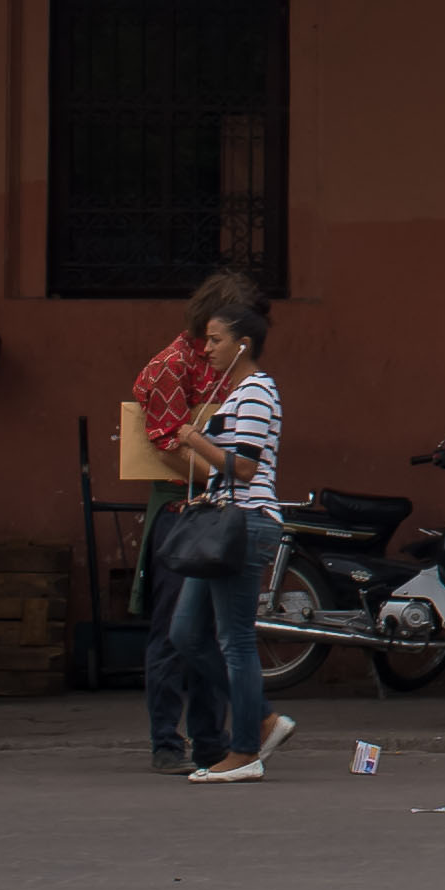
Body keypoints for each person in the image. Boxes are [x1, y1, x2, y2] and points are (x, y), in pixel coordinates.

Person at [132, 272, 260, 770]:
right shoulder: (171, 365)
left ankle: (210, 740)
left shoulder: (236, 371)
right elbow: (166, 443)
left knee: (211, 630)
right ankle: (167, 742)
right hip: (180, 507)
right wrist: (221, 477)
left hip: (218, 502)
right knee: (171, 630)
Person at [160, 301, 291, 782]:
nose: (207, 348)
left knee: (234, 641)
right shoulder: (235, 392)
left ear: (244, 344)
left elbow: (245, 467)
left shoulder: (256, 391)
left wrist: (194, 438)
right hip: (224, 524)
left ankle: (245, 751)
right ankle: (262, 717)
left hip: (245, 522)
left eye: (215, 340)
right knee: (187, 633)